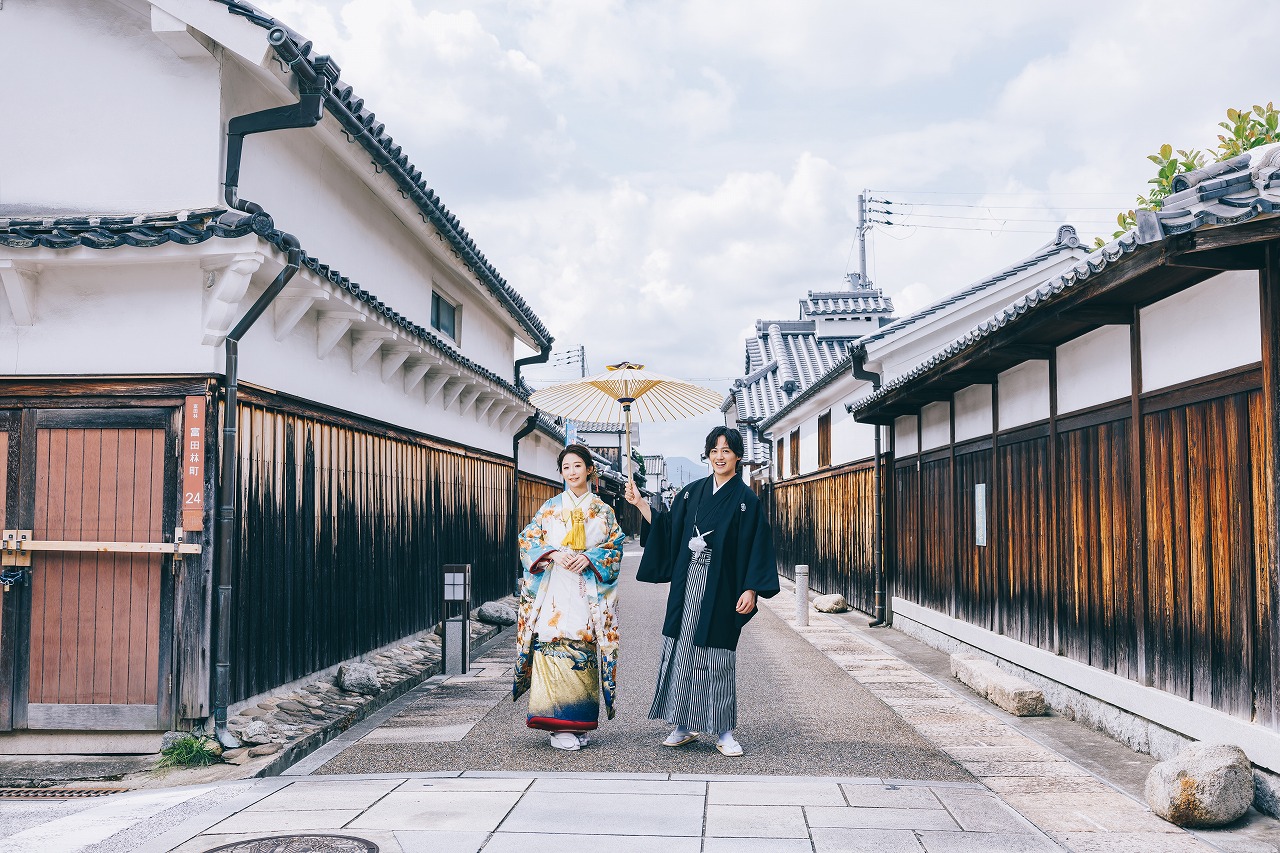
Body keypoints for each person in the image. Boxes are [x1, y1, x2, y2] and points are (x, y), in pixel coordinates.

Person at [625, 426, 779, 756]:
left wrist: (751, 588)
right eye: (714, 450)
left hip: (722, 588)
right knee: (681, 652)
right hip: (687, 583)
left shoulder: (746, 500)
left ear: (738, 456)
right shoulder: (690, 492)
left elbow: (757, 546)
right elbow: (667, 528)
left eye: (726, 450)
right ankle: (682, 725)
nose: (719, 456)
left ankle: (723, 731)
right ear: (707, 455)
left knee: (717, 657)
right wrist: (640, 504)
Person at [514, 445, 624, 750]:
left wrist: (590, 559)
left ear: (589, 469)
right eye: (566, 467)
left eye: (577, 466)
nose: (572, 472)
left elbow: (615, 547)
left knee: (586, 643)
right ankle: (556, 726)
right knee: (554, 640)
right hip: (555, 585)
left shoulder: (603, 511)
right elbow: (527, 541)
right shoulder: (550, 508)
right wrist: (553, 554)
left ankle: (580, 723)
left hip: (586, 588)